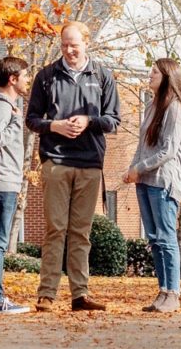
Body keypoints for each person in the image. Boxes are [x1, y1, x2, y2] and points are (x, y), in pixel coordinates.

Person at [27, 21, 120, 312]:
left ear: (86, 43)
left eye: (74, 45)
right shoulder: (46, 77)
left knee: (81, 232)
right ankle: (47, 294)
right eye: (64, 45)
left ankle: (80, 295)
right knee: (55, 229)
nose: (68, 50)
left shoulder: (102, 76)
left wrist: (88, 121)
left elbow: (113, 120)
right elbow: (32, 120)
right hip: (55, 161)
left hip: (90, 163)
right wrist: (54, 125)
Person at [123, 58, 181, 313]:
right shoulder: (153, 106)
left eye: (154, 72)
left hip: (164, 181)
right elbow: (143, 145)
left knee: (165, 238)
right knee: (154, 239)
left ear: (167, 77)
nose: (150, 74)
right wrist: (132, 170)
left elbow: (168, 151)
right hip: (145, 180)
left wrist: (138, 169)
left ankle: (173, 293)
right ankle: (163, 292)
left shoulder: (174, 108)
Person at [0, 56, 32, 314]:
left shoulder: (6, 105)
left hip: (5, 181)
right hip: (0, 183)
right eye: (24, 75)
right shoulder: (1, 107)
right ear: (12, 79)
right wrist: (15, 123)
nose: (27, 80)